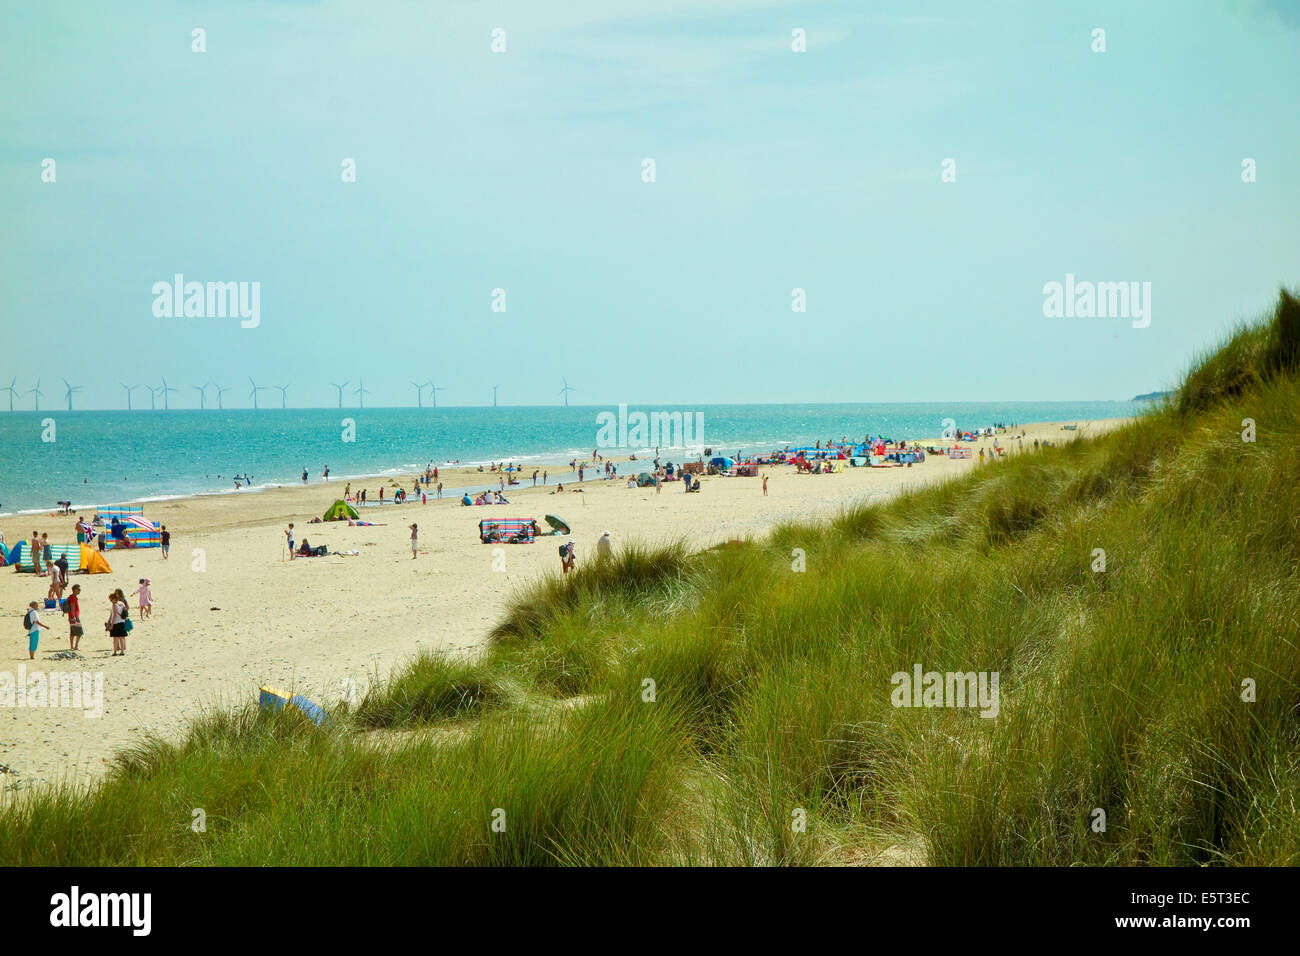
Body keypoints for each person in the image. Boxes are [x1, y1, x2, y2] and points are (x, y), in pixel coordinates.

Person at [107, 589, 128, 656]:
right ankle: (122, 651)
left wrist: (111, 624)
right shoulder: (122, 603)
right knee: (121, 637)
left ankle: (115, 651)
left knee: (115, 638)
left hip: (116, 623)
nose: (111, 601)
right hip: (122, 622)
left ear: (114, 599)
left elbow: (115, 615)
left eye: (111, 600)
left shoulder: (114, 605)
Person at [65, 584, 82, 651]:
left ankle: (72, 646)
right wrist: (74, 616)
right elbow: (72, 606)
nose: (79, 591)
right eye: (78, 589)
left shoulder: (71, 597)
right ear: (74, 590)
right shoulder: (73, 597)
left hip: (71, 616)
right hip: (74, 617)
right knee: (79, 632)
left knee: (73, 632)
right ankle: (75, 646)